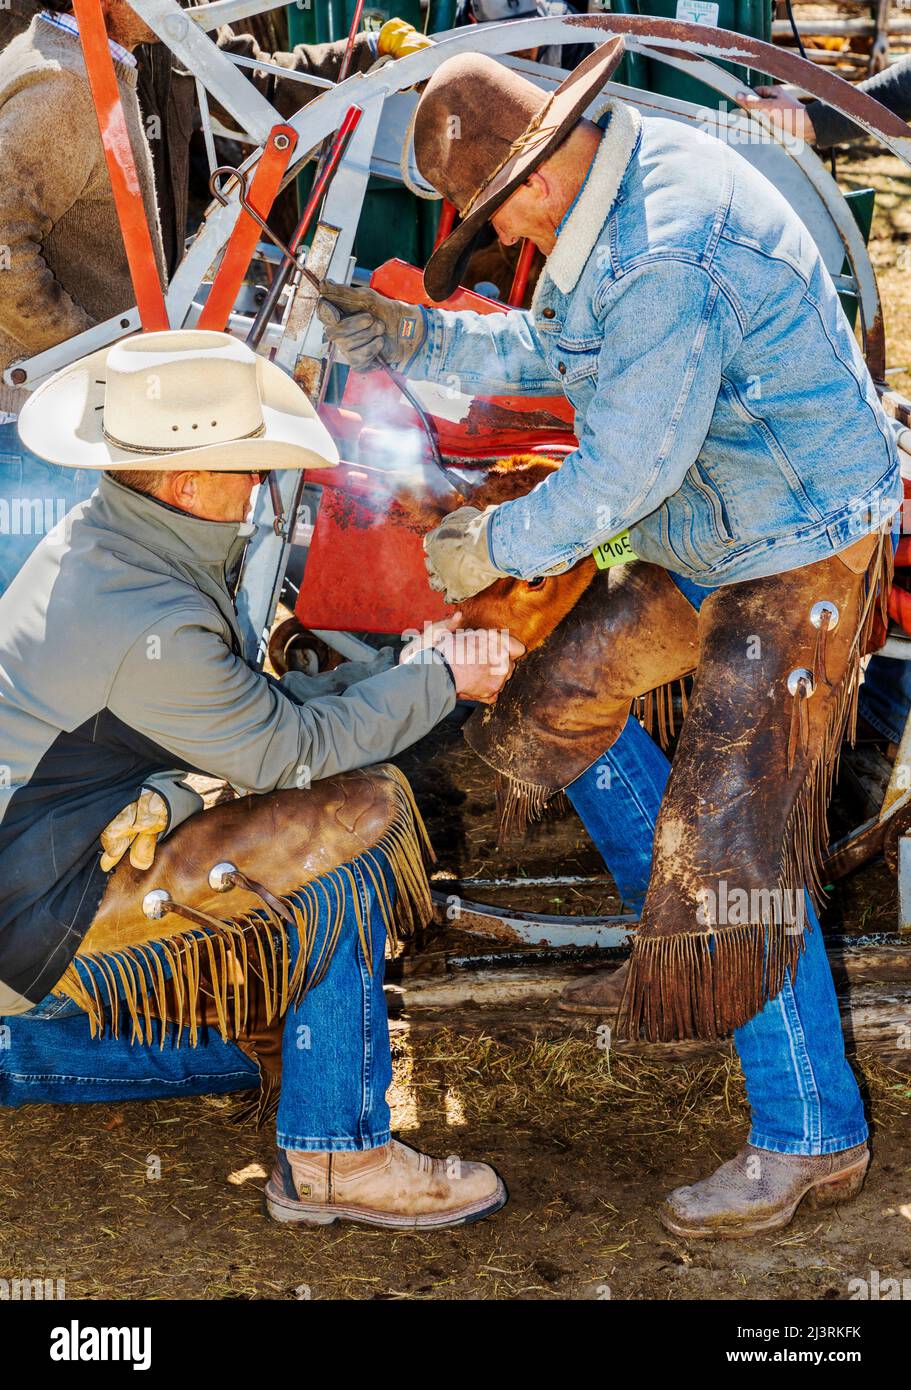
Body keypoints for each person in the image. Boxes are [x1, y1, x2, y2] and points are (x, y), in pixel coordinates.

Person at [319, 43, 901, 1238]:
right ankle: (689, 955)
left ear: (530, 174)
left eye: (485, 212)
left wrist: (492, 546)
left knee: (730, 852)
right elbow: (552, 351)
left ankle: (808, 1131)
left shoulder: (657, 249)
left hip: (799, 542)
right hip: (713, 519)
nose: (493, 233)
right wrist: (412, 337)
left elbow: (620, 465)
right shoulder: (611, 201)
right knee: (545, 707)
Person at [0, 327, 522, 1230]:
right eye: (247, 469)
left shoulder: (118, 549)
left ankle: (282, 1067)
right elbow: (283, 752)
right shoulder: (146, 609)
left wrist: (405, 668)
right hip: (37, 914)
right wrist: (439, 680)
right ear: (188, 481)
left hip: (45, 875)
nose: (259, 488)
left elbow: (238, 715)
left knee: (252, 1049)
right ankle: (333, 1154)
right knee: (344, 824)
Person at [0, 1, 430, 594]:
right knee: (36, 632)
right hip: (40, 428)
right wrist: (88, 359)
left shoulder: (110, 56)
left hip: (66, 418)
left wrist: (363, 49)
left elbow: (247, 77)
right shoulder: (63, 84)